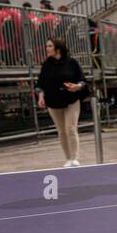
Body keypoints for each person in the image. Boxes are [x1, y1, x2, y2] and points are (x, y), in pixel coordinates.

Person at [35, 36, 87, 166]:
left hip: (71, 100)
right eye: (47, 46)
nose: (47, 48)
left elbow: (82, 80)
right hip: (53, 101)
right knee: (61, 130)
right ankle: (68, 158)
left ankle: (75, 158)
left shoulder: (72, 62)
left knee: (70, 128)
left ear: (58, 48)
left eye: (50, 46)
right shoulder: (46, 65)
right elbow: (40, 83)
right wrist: (41, 97)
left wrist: (77, 87)